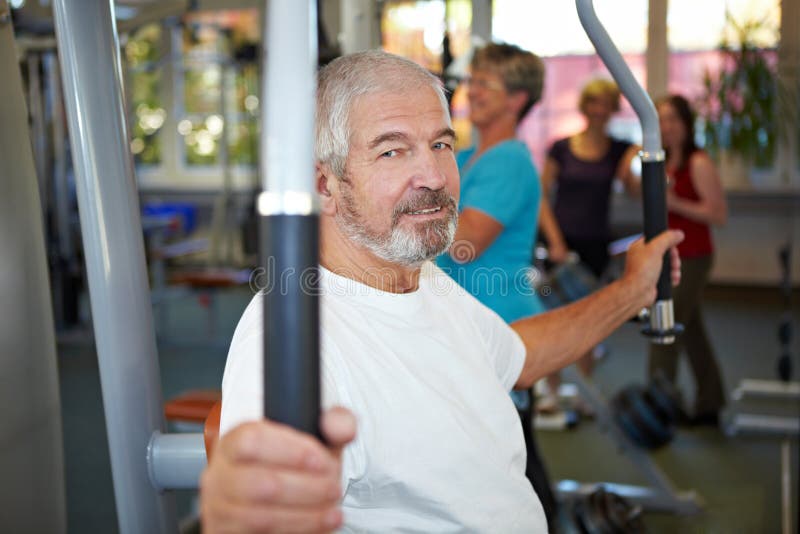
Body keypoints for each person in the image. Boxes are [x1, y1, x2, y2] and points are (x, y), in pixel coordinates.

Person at [200, 50, 682, 533]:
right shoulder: (292, 343)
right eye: (392, 151)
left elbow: (518, 355)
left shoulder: (420, 275)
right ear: (323, 184)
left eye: (441, 145)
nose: (434, 177)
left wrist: (633, 290)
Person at [435, 42, 560, 529]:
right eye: (474, 80)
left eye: (487, 83)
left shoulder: (509, 161)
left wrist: (400, 223)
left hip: (499, 317)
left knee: (514, 464)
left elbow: (463, 245)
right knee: (492, 457)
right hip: (462, 321)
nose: (473, 90)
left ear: (517, 98)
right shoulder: (466, 154)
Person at [537, 78, 641, 412]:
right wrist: (554, 241)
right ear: (585, 106)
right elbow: (541, 194)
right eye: (593, 102)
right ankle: (552, 392)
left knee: (587, 320)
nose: (598, 110)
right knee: (552, 318)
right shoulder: (561, 147)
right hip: (559, 243)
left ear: (612, 109)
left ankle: (583, 391)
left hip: (596, 245)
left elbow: (635, 190)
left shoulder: (618, 149)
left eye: (605, 103)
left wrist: (639, 153)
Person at [649, 94, 727, 425]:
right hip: (668, 256)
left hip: (693, 257)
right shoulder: (661, 162)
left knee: (664, 326)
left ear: (687, 124)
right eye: (661, 120)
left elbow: (718, 214)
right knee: (691, 330)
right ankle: (711, 402)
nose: (667, 127)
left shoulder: (698, 162)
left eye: (673, 120)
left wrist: (674, 202)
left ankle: (658, 408)